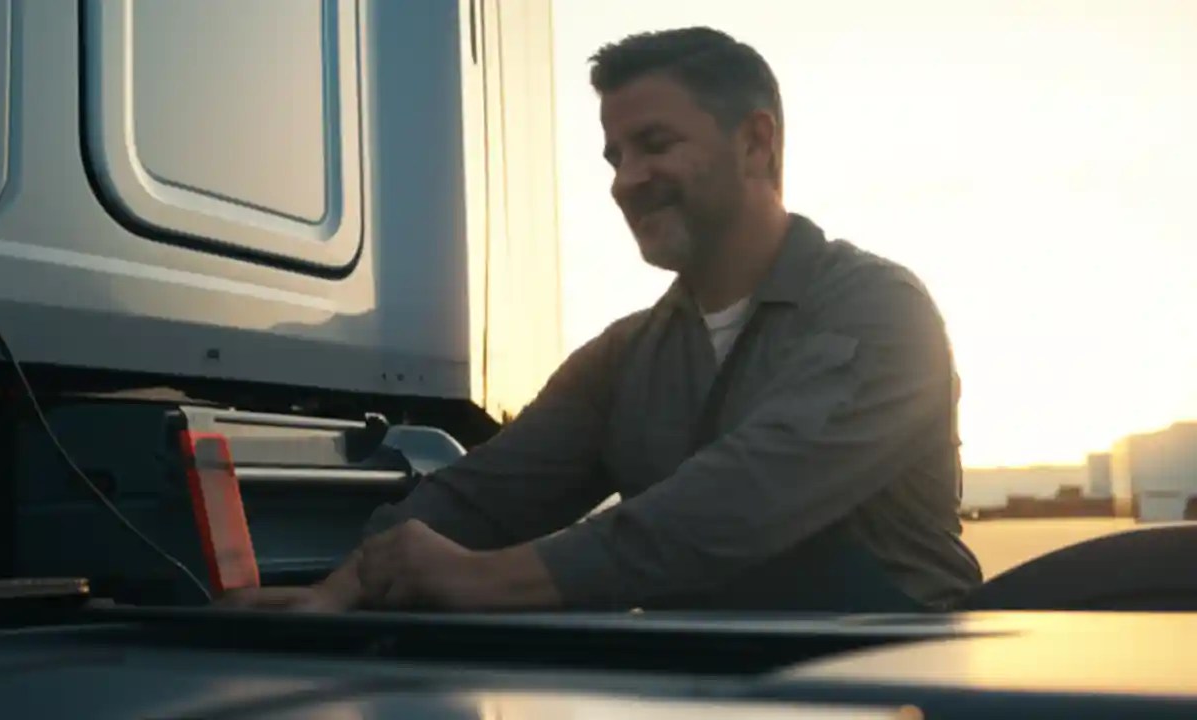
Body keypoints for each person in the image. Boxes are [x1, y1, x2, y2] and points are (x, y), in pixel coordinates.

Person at [218, 26, 982, 614]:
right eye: (613, 156)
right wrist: (343, 587)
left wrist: (487, 580)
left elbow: (735, 505)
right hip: (722, 697)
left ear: (756, 142)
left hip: (900, 687)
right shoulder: (626, 357)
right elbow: (484, 492)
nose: (625, 182)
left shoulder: (883, 312)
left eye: (654, 145)